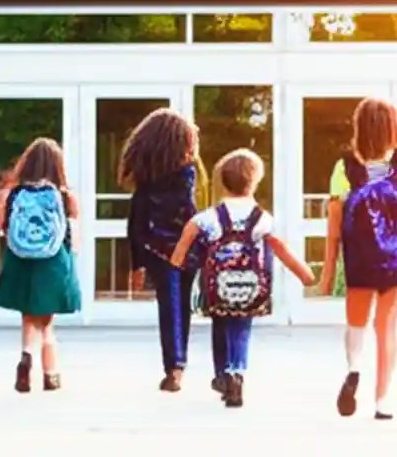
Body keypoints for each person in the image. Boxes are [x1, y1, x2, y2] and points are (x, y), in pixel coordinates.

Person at [171, 149, 315, 408]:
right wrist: (303, 273)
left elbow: (191, 228)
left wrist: (177, 259)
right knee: (241, 328)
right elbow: (280, 246)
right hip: (249, 287)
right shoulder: (261, 218)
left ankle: (222, 374)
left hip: (218, 286)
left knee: (220, 325)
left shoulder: (213, 215)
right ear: (255, 182)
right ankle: (237, 371)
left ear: (222, 182)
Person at [318, 97, 397, 420]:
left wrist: (327, 271)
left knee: (357, 323)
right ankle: (383, 401)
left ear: (359, 127)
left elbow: (335, 223)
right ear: (395, 127)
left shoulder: (345, 167)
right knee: (388, 327)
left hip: (361, 259)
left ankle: (354, 368)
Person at [119, 107, 201, 392]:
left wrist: (136, 263)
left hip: (157, 250)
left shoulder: (146, 182)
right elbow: (190, 212)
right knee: (183, 307)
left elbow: (136, 224)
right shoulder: (186, 175)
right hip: (187, 249)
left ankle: (174, 366)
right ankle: (178, 366)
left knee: (169, 306)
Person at [0, 138, 81, 393]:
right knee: (47, 321)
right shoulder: (65, 197)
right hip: (53, 263)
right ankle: (50, 374)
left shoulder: (14, 195)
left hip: (21, 261)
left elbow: (2, 227)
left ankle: (27, 355)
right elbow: (74, 238)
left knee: (29, 316)